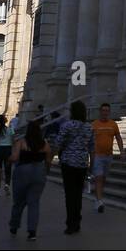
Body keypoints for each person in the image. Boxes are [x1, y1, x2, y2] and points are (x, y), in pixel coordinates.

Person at [52, 101, 93, 235]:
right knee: (78, 194)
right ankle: (77, 220)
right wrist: (91, 163)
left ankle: (71, 223)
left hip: (68, 163)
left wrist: (52, 156)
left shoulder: (67, 125)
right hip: (82, 163)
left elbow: (58, 143)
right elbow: (92, 147)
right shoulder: (89, 127)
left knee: (70, 194)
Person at [9, 119, 53, 240]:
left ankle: (14, 225)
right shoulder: (44, 143)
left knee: (18, 201)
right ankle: (32, 231)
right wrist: (46, 170)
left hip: (23, 171)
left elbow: (15, 157)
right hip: (39, 171)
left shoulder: (21, 142)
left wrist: (9, 159)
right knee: (34, 203)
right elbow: (49, 159)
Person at [90, 103, 123, 214]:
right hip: (98, 156)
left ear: (109, 112)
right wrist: (90, 155)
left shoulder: (113, 124)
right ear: (100, 111)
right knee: (99, 177)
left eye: (107, 110)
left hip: (109, 156)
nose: (105, 112)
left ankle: (98, 198)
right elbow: (90, 141)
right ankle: (99, 201)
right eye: (103, 110)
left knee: (103, 178)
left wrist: (122, 151)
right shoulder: (94, 124)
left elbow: (118, 138)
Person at [0, 114, 15, 194]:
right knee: (8, 169)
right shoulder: (10, 129)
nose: (6, 118)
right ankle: (7, 184)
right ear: (4, 121)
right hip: (8, 149)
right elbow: (13, 140)